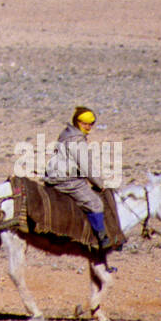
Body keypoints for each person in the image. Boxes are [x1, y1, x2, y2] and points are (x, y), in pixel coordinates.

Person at [44, 107, 112, 249]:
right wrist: (99, 183)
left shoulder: (66, 134)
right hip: (67, 179)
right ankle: (101, 239)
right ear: (77, 122)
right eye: (84, 123)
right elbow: (86, 166)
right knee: (96, 204)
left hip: (56, 174)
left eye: (91, 123)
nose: (88, 126)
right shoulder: (77, 140)